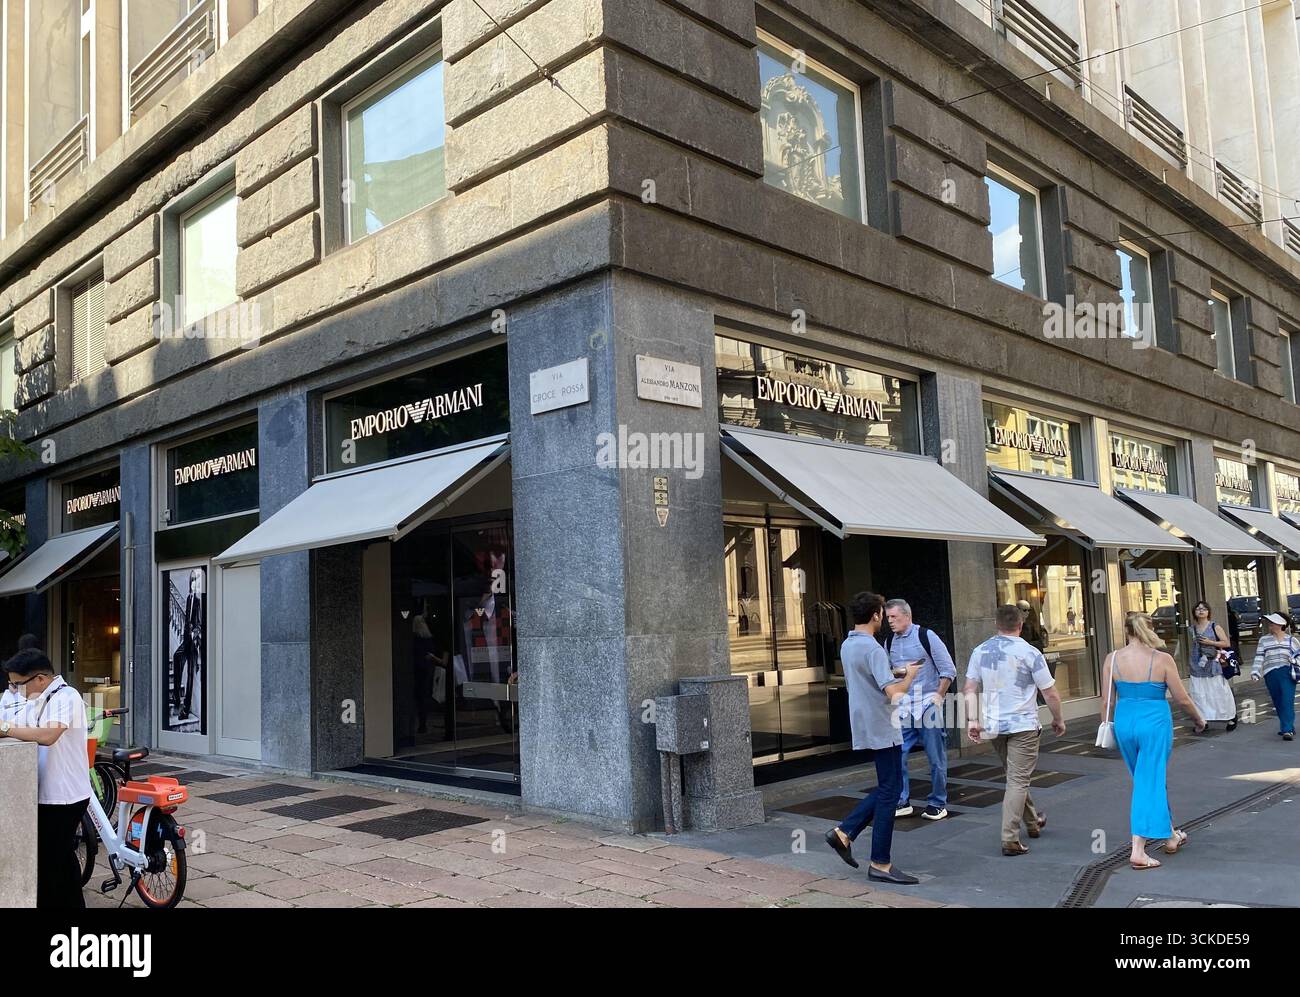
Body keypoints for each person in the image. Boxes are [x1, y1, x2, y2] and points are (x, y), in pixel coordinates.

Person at [823, 591, 923, 884]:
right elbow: (894, 694)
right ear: (876, 614)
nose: (883, 617)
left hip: (864, 722)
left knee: (887, 788)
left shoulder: (848, 645)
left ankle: (845, 833)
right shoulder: (874, 649)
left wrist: (895, 671)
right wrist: (910, 676)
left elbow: (870, 676)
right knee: (890, 791)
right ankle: (879, 862)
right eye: (882, 612)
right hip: (883, 725)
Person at [1102, 612, 1205, 871]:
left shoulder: (1112, 659)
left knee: (1147, 779)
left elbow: (1107, 702)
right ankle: (1138, 849)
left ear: (1126, 631)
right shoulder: (1162, 659)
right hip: (1154, 723)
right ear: (1150, 630)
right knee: (1149, 781)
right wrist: (1199, 719)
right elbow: (1182, 699)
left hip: (1125, 721)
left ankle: (1169, 834)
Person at [964, 604, 1066, 856]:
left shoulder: (981, 651)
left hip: (993, 725)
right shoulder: (1030, 652)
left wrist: (972, 720)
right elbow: (1050, 692)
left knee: (1015, 777)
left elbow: (968, 689)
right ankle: (1009, 838)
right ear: (1020, 625)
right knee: (1018, 780)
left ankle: (1033, 822)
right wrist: (1058, 719)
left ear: (996, 625)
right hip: (1023, 725)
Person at [0, 648, 91, 908]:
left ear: (39, 678)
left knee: (52, 864)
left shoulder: (67, 696)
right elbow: (16, 728)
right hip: (44, 795)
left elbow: (48, 736)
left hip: (65, 796)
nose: (15, 691)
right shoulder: (37, 700)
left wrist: (5, 728)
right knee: (58, 861)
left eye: (18, 684)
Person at [885, 598, 957, 820]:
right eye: (888, 617)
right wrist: (898, 673)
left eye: (894, 617)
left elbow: (948, 669)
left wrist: (938, 696)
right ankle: (902, 800)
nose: (890, 621)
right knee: (898, 756)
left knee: (935, 757)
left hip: (927, 704)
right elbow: (889, 672)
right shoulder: (889, 641)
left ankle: (937, 802)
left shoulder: (926, 636)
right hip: (904, 706)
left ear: (907, 616)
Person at [1188, 601, 1236, 731]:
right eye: (1198, 609)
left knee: (1219, 692)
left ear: (1208, 612)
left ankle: (1230, 716)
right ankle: (1202, 720)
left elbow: (1226, 643)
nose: (1201, 611)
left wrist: (1211, 642)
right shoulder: (1192, 629)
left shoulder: (1215, 626)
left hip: (1213, 663)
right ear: (1194, 612)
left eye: (1204, 609)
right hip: (1197, 665)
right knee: (1199, 694)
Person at [1251, 612, 1298, 741]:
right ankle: (1287, 725)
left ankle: (1287, 729)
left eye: (1273, 622)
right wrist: (1255, 672)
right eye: (1270, 622)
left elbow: (1298, 657)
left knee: (1287, 699)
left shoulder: (1292, 640)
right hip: (1270, 673)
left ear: (1281, 624)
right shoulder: (1264, 640)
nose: (1270, 625)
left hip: (1287, 672)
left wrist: (1293, 660)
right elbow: (1259, 656)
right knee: (1278, 700)